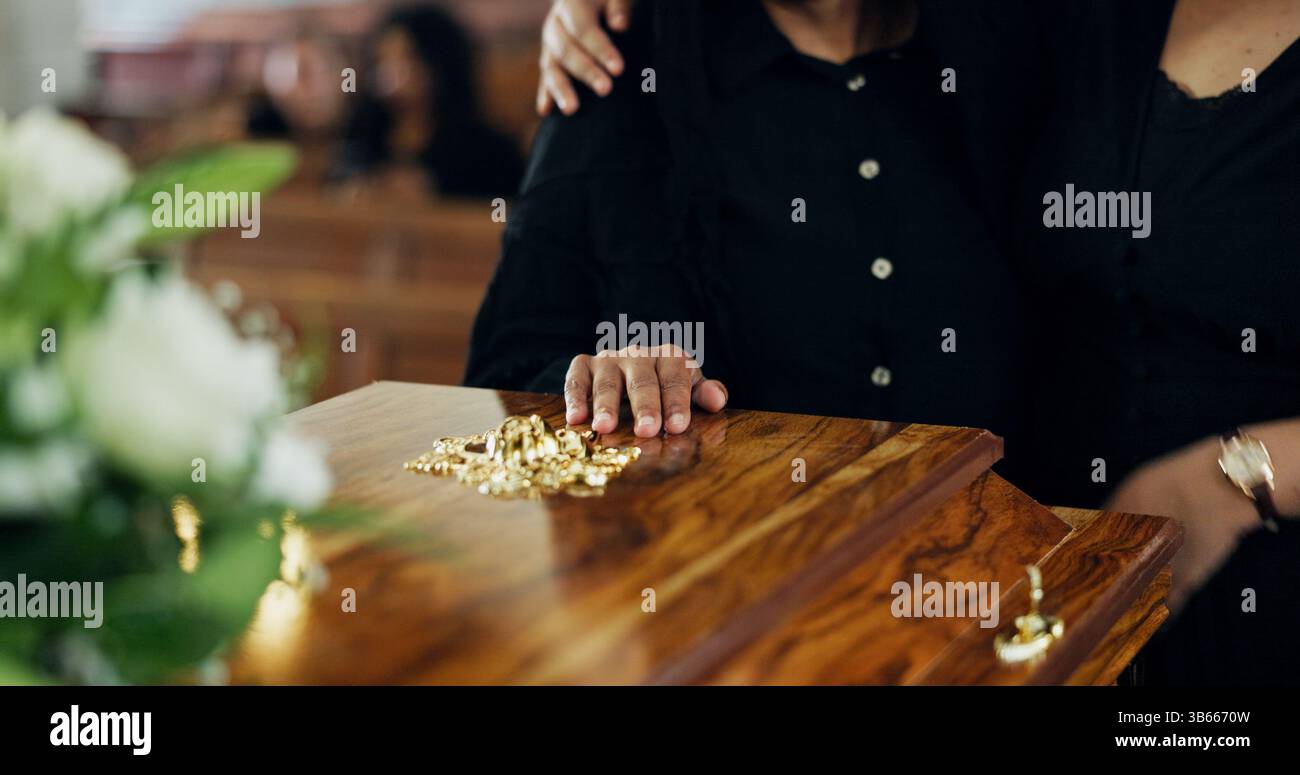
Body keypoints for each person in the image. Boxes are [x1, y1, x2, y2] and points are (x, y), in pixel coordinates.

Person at [527, 0, 1300, 684]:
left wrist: (1228, 477)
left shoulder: (982, 55)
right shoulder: (1071, 25)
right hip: (908, 614)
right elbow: (516, 362)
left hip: (1204, 579)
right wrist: (608, 392)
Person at [466, 0, 1042, 451]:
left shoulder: (1004, 60)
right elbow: (500, 376)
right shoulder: (614, 72)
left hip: (1002, 567)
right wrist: (600, 386)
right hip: (730, 572)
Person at [334, 4, 524, 199]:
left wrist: (435, 190)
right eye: (383, 60)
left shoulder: (489, 148)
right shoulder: (364, 130)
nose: (392, 74)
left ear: (438, 63)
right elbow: (337, 182)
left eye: (407, 60)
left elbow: (502, 205)